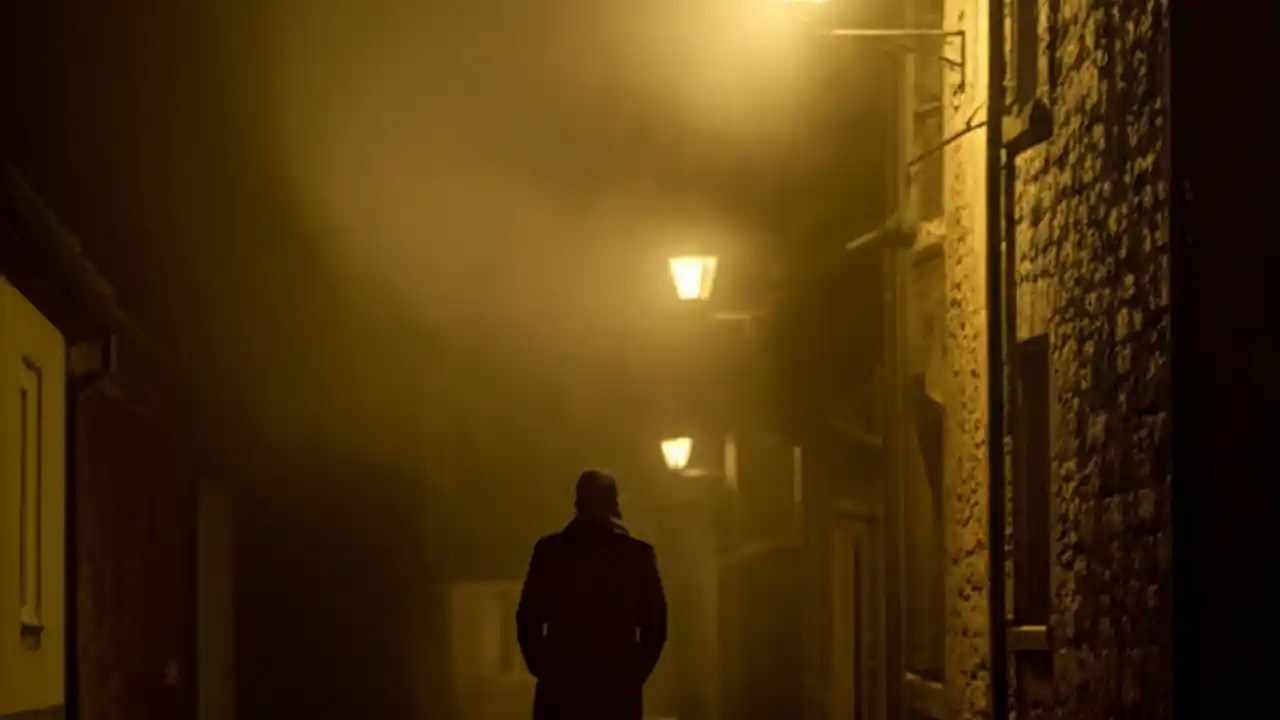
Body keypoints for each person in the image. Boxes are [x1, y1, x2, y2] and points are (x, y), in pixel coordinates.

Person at [516, 470, 667, 720]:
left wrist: (545, 668)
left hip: (561, 686)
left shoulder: (551, 552)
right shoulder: (636, 555)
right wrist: (633, 673)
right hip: (616, 687)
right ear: (614, 504)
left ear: (578, 502)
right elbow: (655, 625)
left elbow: (528, 618)